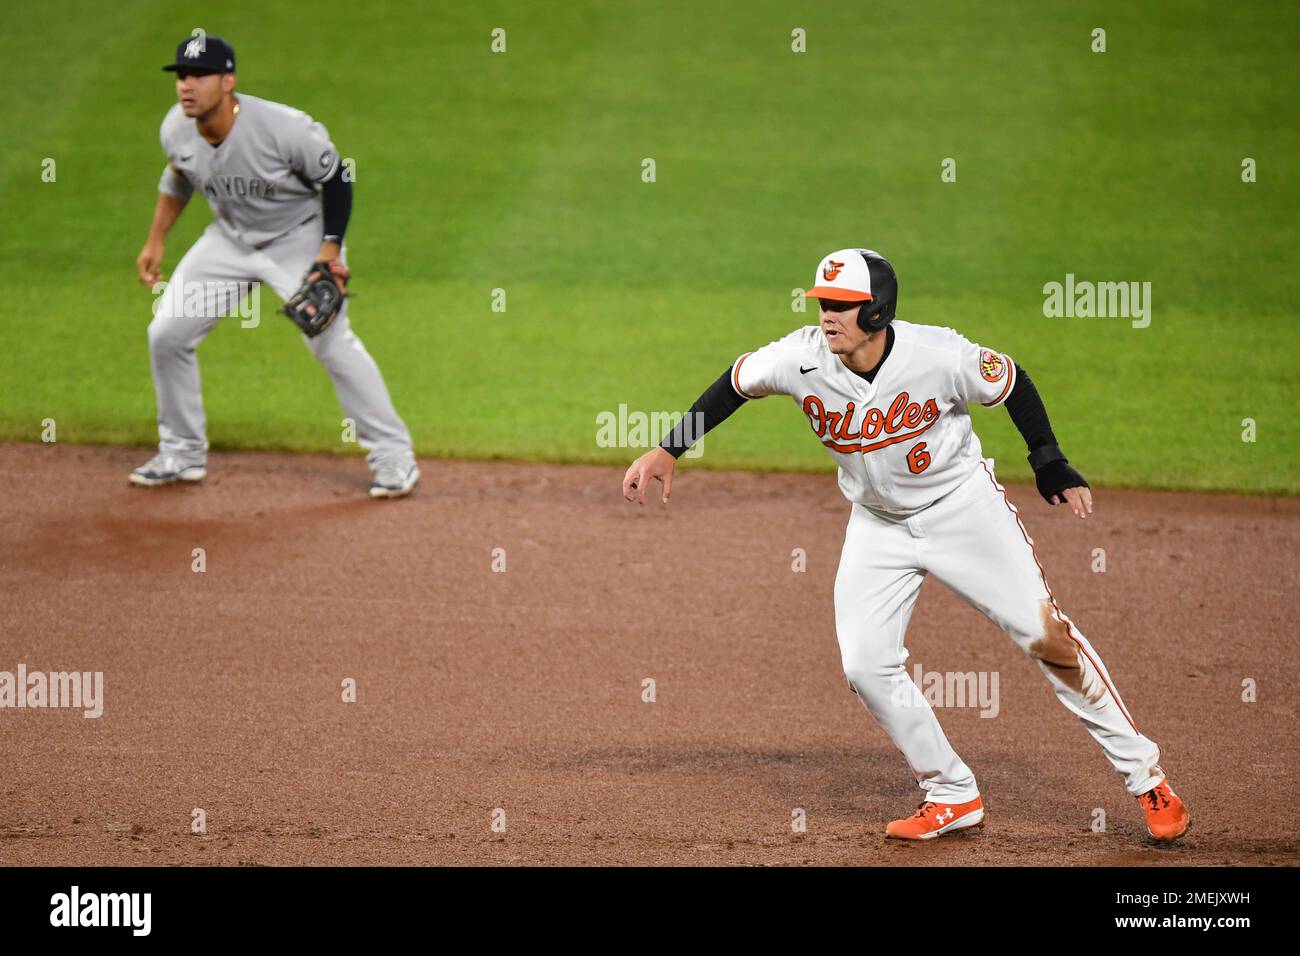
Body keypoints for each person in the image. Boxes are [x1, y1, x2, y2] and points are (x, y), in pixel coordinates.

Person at [622, 248, 1189, 841]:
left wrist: (1048, 460)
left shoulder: (937, 354)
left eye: (842, 306)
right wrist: (670, 448)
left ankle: (1146, 778)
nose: (827, 316)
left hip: (963, 513)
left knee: (1045, 637)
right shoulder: (800, 357)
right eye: (824, 304)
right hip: (877, 526)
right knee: (865, 664)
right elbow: (733, 386)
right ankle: (951, 792)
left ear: (877, 311)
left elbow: (1012, 381)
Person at [133, 35, 418, 498]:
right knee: (166, 334)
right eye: (182, 76)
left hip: (298, 238)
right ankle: (181, 453)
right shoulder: (175, 128)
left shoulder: (283, 128)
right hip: (229, 240)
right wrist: (156, 238)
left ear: (228, 81)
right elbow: (179, 173)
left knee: (330, 343)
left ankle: (394, 458)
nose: (187, 85)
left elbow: (337, 177)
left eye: (200, 75)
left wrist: (329, 250)